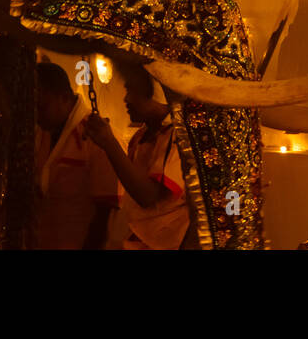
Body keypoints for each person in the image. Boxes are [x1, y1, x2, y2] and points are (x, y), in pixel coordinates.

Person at [83, 63, 193, 250]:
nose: (127, 99)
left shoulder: (179, 138)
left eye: (134, 91)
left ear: (158, 96)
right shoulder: (141, 136)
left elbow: (147, 197)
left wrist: (109, 144)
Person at [33, 61, 118, 249]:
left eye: (42, 107)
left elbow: (105, 211)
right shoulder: (41, 133)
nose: (37, 116)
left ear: (64, 97)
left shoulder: (94, 135)